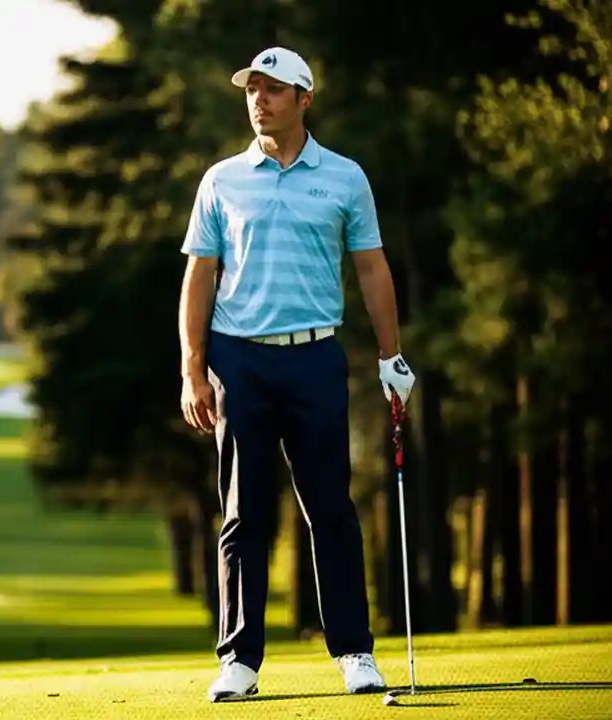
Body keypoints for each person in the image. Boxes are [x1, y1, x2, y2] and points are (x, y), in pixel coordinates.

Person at [176, 46, 417, 702]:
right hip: (240, 359)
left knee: (330, 510)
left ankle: (354, 652)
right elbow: (200, 275)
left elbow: (371, 268)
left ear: (304, 98)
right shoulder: (222, 180)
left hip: (315, 357)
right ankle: (239, 662)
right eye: (253, 88)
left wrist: (390, 356)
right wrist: (192, 369)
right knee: (243, 514)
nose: (260, 99)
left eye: (274, 89)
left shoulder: (344, 178)